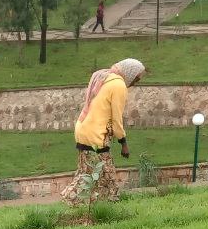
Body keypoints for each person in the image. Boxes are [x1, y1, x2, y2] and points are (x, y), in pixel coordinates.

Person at [62, 57, 146, 206]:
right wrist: (123, 142)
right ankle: (70, 199)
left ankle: (103, 206)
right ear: (130, 73)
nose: (135, 83)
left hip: (84, 129)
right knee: (104, 175)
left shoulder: (104, 75)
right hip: (95, 135)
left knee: (90, 173)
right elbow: (116, 118)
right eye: (136, 79)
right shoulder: (118, 85)